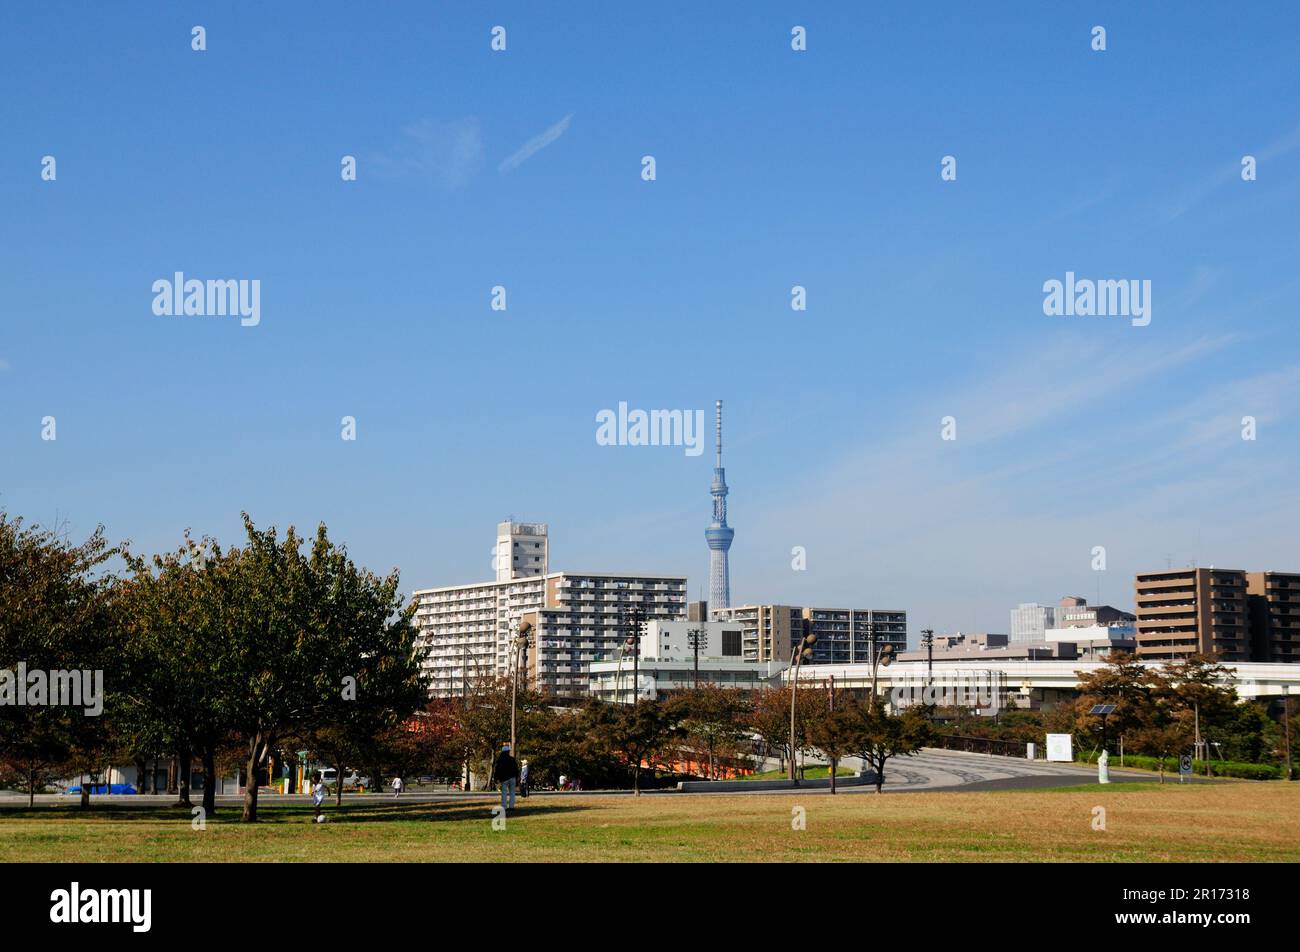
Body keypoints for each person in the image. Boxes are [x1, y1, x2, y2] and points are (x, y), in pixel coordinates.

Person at [493, 743, 519, 811]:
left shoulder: (500, 760)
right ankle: (511, 806)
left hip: (504, 779)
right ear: (508, 752)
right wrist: (517, 777)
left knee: (504, 793)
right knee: (512, 793)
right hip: (512, 778)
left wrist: (496, 778)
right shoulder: (512, 759)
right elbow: (516, 769)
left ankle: (504, 806)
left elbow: (497, 770)